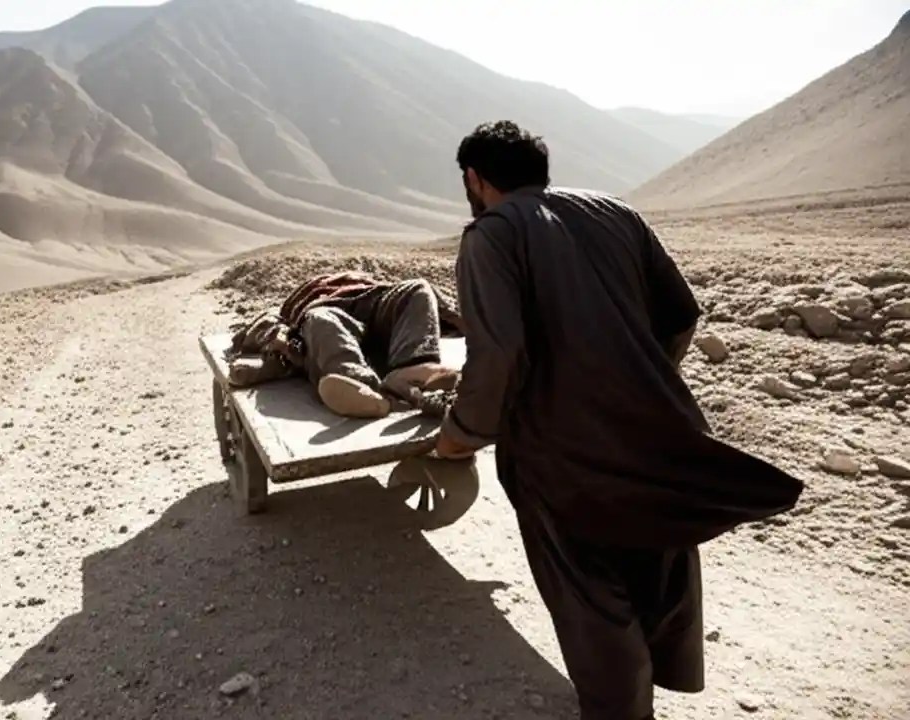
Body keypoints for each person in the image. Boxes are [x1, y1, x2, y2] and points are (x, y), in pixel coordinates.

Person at [433, 121, 804, 720]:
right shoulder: (615, 211)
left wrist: (462, 434)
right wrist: (636, 378)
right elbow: (680, 313)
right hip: (657, 427)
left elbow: (497, 353)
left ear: (475, 179)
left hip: (561, 453)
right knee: (655, 552)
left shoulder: (491, 235)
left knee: (591, 596)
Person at [226, 271, 462, 417]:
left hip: (374, 305)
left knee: (418, 287)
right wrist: (274, 348)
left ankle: (412, 368)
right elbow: (259, 334)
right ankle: (364, 390)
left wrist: (466, 324)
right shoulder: (297, 304)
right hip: (328, 317)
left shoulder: (362, 280)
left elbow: (434, 306)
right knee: (322, 321)